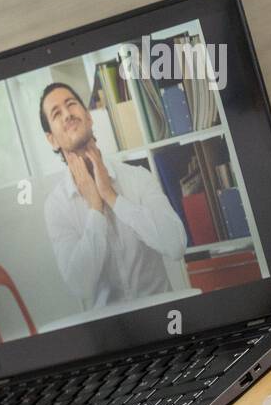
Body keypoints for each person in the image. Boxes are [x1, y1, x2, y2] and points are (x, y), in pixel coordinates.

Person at [38, 82, 187, 308]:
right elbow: (79, 286)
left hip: (162, 316)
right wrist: (95, 209)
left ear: (88, 116)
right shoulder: (56, 206)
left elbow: (176, 245)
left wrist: (112, 197)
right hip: (114, 332)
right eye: (57, 113)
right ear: (52, 139)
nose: (67, 114)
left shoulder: (138, 177)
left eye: (71, 105)